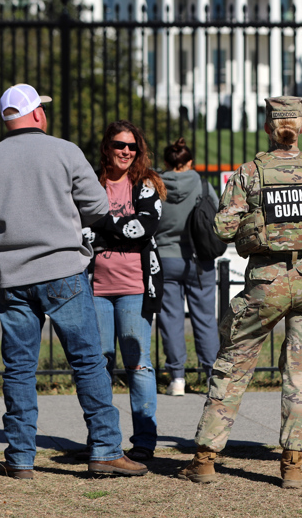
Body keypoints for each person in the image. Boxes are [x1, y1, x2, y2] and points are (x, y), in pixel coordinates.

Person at [0, 83, 146, 478]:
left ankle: (21, 458)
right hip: (62, 270)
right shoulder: (65, 152)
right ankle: (105, 449)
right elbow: (96, 207)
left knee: (19, 368)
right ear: (37, 114)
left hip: (11, 277)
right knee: (87, 362)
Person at [180, 96, 302, 489]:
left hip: (266, 284)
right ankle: (292, 465)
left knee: (234, 364)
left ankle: (205, 458)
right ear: (301, 128)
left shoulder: (249, 174)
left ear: (268, 129)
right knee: (300, 373)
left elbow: (221, 229)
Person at [84, 120, 166, 462]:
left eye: (132, 146)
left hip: (135, 287)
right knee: (98, 364)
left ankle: (144, 442)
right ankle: (103, 440)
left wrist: (103, 226)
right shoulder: (91, 183)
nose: (126, 152)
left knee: (139, 365)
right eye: (119, 145)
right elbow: (79, 228)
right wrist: (116, 229)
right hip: (96, 288)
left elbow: (143, 227)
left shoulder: (146, 185)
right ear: (107, 146)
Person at [155, 137, 220, 397]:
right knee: (205, 319)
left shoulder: (156, 185)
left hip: (165, 259)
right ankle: (210, 375)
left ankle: (177, 378)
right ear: (190, 162)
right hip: (199, 259)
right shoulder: (202, 184)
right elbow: (217, 214)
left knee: (170, 319)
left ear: (166, 162)